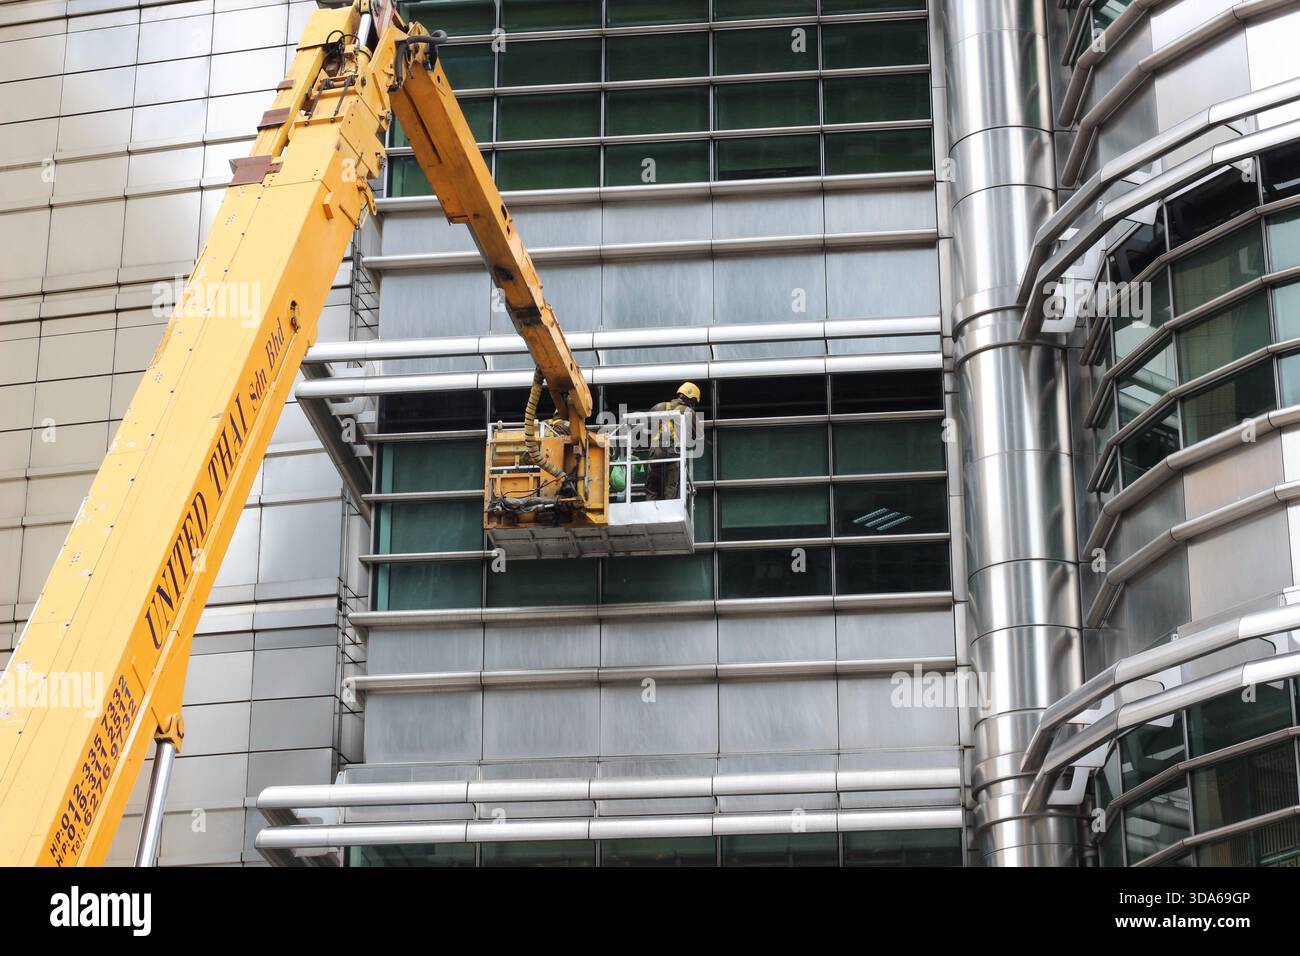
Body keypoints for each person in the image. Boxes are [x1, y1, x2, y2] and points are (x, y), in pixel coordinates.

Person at [644, 382, 701, 501]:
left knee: (652, 486)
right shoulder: (688, 412)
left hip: (655, 452)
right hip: (673, 452)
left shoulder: (658, 407)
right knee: (671, 486)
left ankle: (650, 507)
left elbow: (645, 427)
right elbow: (697, 435)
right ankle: (669, 509)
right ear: (691, 399)